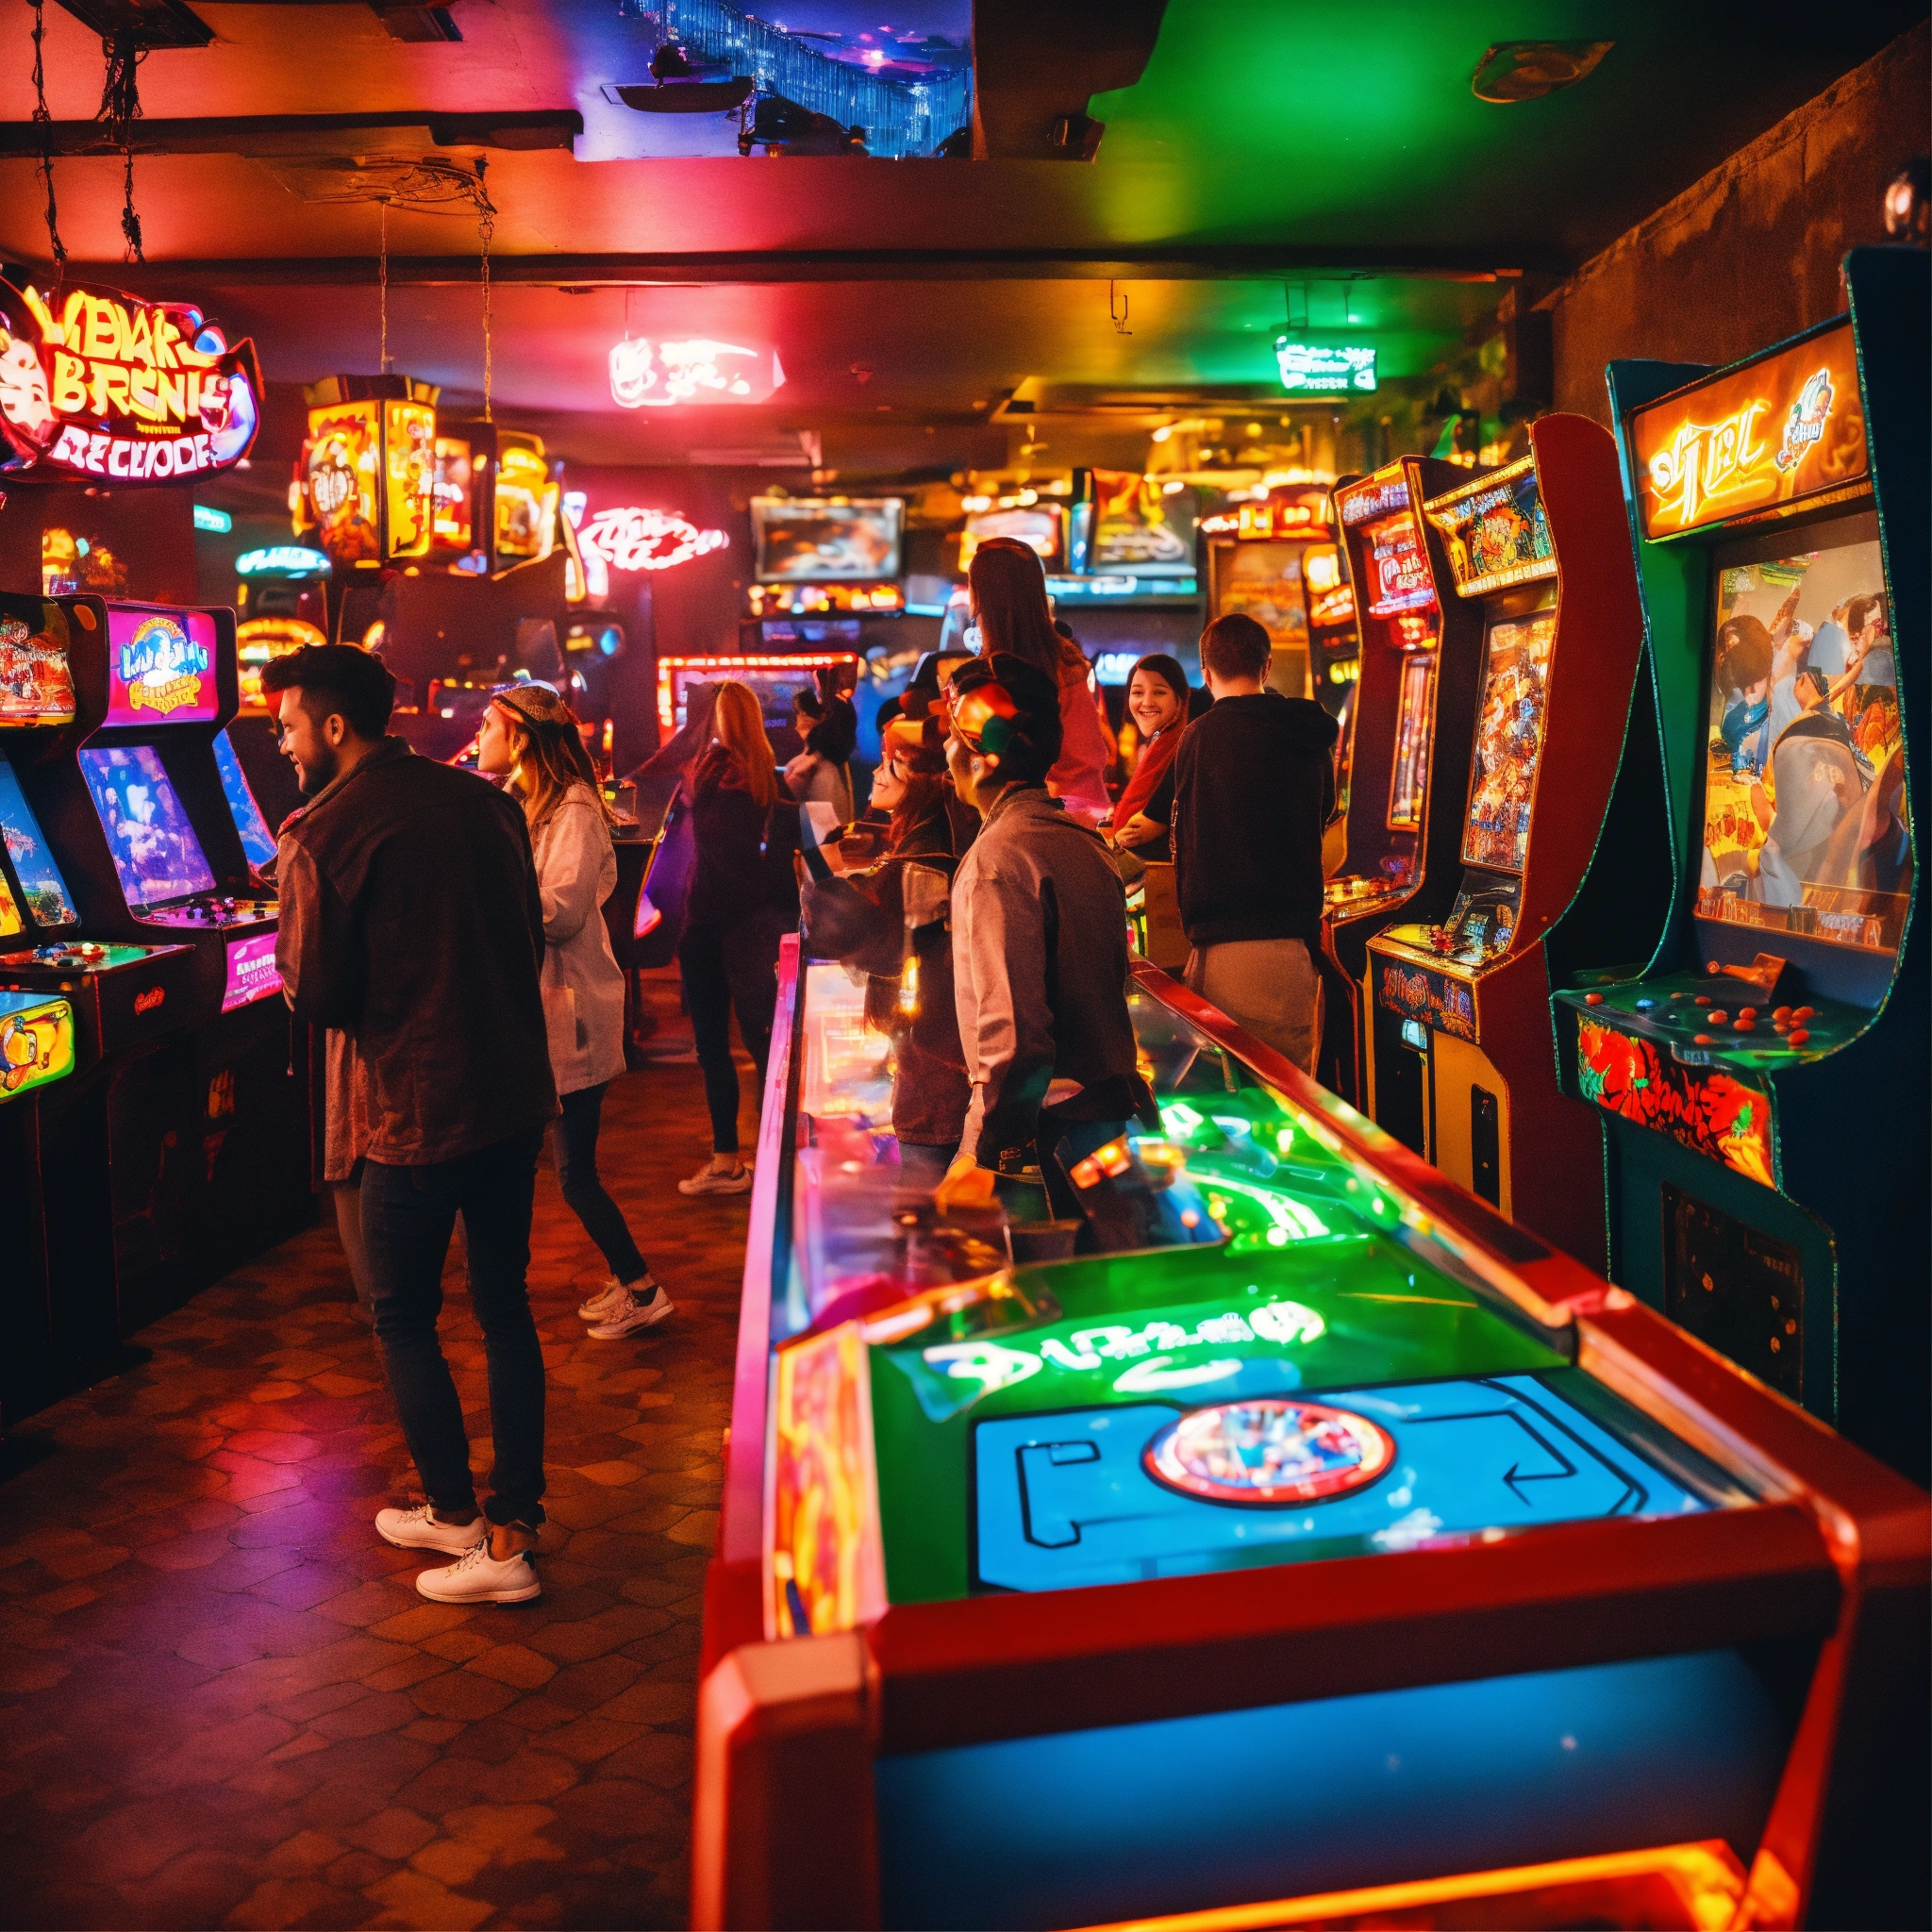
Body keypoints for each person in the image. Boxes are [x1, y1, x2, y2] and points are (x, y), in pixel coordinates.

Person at [266, 644, 558, 1607]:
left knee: (401, 1313)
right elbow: (523, 931)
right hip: (513, 1090)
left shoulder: (321, 832)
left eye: (288, 722)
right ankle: (510, 1516)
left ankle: (465, 1518)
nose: (280, 739)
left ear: (334, 726)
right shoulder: (484, 800)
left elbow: (314, 992)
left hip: (413, 1105)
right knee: (504, 1304)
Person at [475, 681, 672, 1341]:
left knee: (575, 1174)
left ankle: (642, 1287)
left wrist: (486, 888)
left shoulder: (577, 811)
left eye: (489, 725)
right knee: (557, 1168)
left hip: (575, 1008)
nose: (479, 737)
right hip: (538, 1010)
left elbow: (557, 913)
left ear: (523, 738)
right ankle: (624, 1281)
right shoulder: (517, 802)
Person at [935, 654, 1149, 1212]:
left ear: (982, 761)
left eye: (953, 736)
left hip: (1044, 1141)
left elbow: (1015, 1038)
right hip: (1105, 1125)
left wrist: (983, 1151)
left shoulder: (996, 861)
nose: (944, 751)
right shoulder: (1082, 842)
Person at [1141, 612, 1340, 1074]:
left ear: (1206, 674)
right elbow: (1325, 816)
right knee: (1290, 1097)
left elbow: (1182, 831)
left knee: (1239, 1103)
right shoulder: (1309, 736)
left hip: (1223, 944)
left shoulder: (1198, 737)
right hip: (1293, 946)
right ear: (1266, 667)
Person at [801, 717, 971, 1184]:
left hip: (938, 1067)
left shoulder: (922, 862)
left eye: (892, 766)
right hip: (938, 1055)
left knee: (927, 1210)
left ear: (925, 783)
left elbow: (864, 940)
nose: (877, 774)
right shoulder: (925, 845)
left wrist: (825, 880)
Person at [677, 679, 798, 1195]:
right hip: (757, 928)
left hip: (708, 926)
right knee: (768, 1045)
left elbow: (704, 855)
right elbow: (784, 866)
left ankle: (727, 1160)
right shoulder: (776, 785)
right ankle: (780, 1153)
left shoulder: (708, 779)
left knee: (713, 1048)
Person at [966, 540, 1113, 824]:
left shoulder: (1005, 673)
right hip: (1089, 811)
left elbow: (994, 766)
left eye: (971, 584)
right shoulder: (1067, 660)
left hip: (1043, 818)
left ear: (984, 597)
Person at [1109, 653, 1191, 862]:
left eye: (1159, 692)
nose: (1146, 702)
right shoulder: (1156, 743)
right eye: (1137, 692)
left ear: (1180, 699)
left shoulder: (1186, 746)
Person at [785, 673, 858, 821]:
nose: (799, 719)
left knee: (825, 837)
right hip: (818, 806)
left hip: (825, 795)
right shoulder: (813, 753)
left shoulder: (838, 707)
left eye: (802, 713)